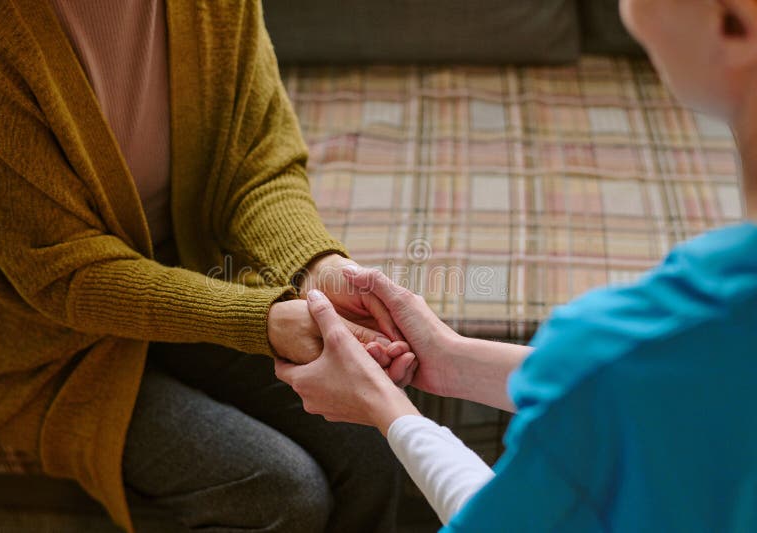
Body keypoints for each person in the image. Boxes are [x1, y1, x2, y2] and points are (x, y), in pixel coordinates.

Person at [275, 0, 757, 531]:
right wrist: (450, 358)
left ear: (734, 23)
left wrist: (384, 408)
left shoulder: (629, 345)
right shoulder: (661, 348)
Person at [0, 1, 415, 532]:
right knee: (276, 493)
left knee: (378, 439)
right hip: (45, 347)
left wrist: (315, 268)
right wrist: (263, 320)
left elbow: (254, 164)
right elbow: (67, 273)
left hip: (196, 276)